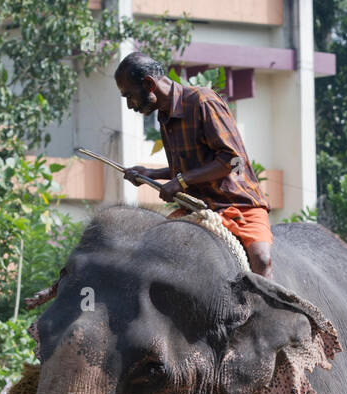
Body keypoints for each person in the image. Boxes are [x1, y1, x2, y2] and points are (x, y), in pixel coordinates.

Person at [114, 52, 274, 277]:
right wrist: (151, 173)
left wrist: (180, 182)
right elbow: (189, 167)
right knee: (146, 254)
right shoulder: (164, 116)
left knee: (262, 260)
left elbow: (233, 159)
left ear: (149, 84)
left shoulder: (203, 100)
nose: (131, 105)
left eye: (130, 96)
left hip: (238, 204)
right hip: (198, 208)